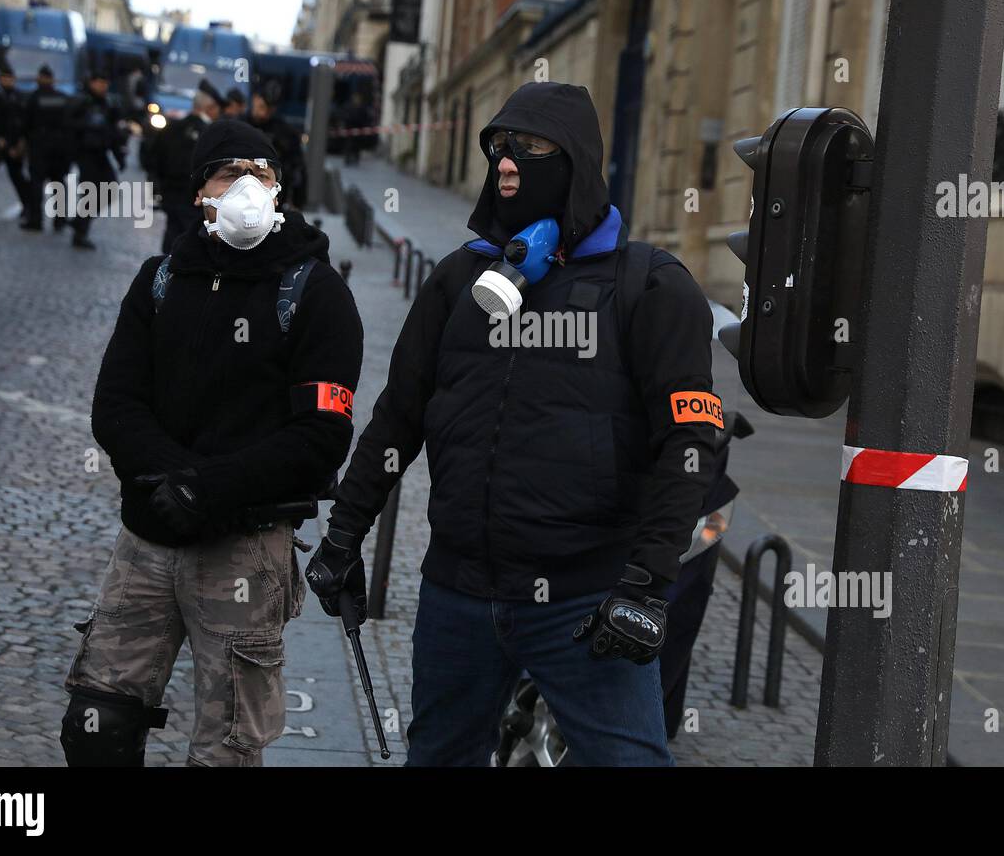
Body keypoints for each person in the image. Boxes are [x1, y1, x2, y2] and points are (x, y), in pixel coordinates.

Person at [308, 81, 719, 766]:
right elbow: (396, 421)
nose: (505, 163)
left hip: (585, 603)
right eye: (497, 146)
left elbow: (689, 440)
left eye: (528, 147)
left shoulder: (649, 286)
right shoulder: (454, 282)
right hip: (459, 595)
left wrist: (646, 585)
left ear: (577, 162)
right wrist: (344, 534)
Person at [65, 119, 364, 767]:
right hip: (150, 536)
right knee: (97, 724)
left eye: (262, 174)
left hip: (244, 551)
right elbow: (115, 407)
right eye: (229, 173)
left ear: (281, 189)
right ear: (199, 190)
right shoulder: (160, 279)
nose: (246, 188)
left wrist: (207, 488)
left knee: (226, 747)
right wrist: (173, 481)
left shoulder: (316, 294)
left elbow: (320, 436)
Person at [141, 78, 221, 253]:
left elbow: (152, 158)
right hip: (193, 198)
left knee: (172, 232)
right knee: (187, 239)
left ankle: (166, 267)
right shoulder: (209, 135)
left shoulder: (173, 127)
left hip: (170, 192)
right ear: (210, 108)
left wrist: (159, 183)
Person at [65, 69, 127, 249]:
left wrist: (119, 156)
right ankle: (80, 232)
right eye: (99, 82)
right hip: (84, 153)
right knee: (90, 192)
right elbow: (67, 126)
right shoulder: (81, 101)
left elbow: (114, 133)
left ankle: (79, 222)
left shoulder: (109, 104)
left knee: (111, 190)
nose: (102, 86)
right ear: (91, 83)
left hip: (101, 153)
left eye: (105, 83)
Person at [23, 65, 72, 232]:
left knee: (37, 184)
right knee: (58, 184)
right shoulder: (61, 98)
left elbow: (27, 123)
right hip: (58, 148)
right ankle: (59, 220)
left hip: (40, 146)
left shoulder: (34, 98)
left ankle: (35, 220)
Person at [248, 83, 305, 209]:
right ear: (255, 99)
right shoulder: (239, 126)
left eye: (269, 110)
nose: (264, 114)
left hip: (273, 197)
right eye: (262, 107)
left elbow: (297, 166)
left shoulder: (285, 132)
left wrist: (297, 200)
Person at [0, 63, 33, 222]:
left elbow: (23, 122)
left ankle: (28, 205)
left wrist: (19, 144)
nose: (7, 81)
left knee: (17, 177)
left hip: (13, 143)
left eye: (9, 78)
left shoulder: (20, 97)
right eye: (4, 78)